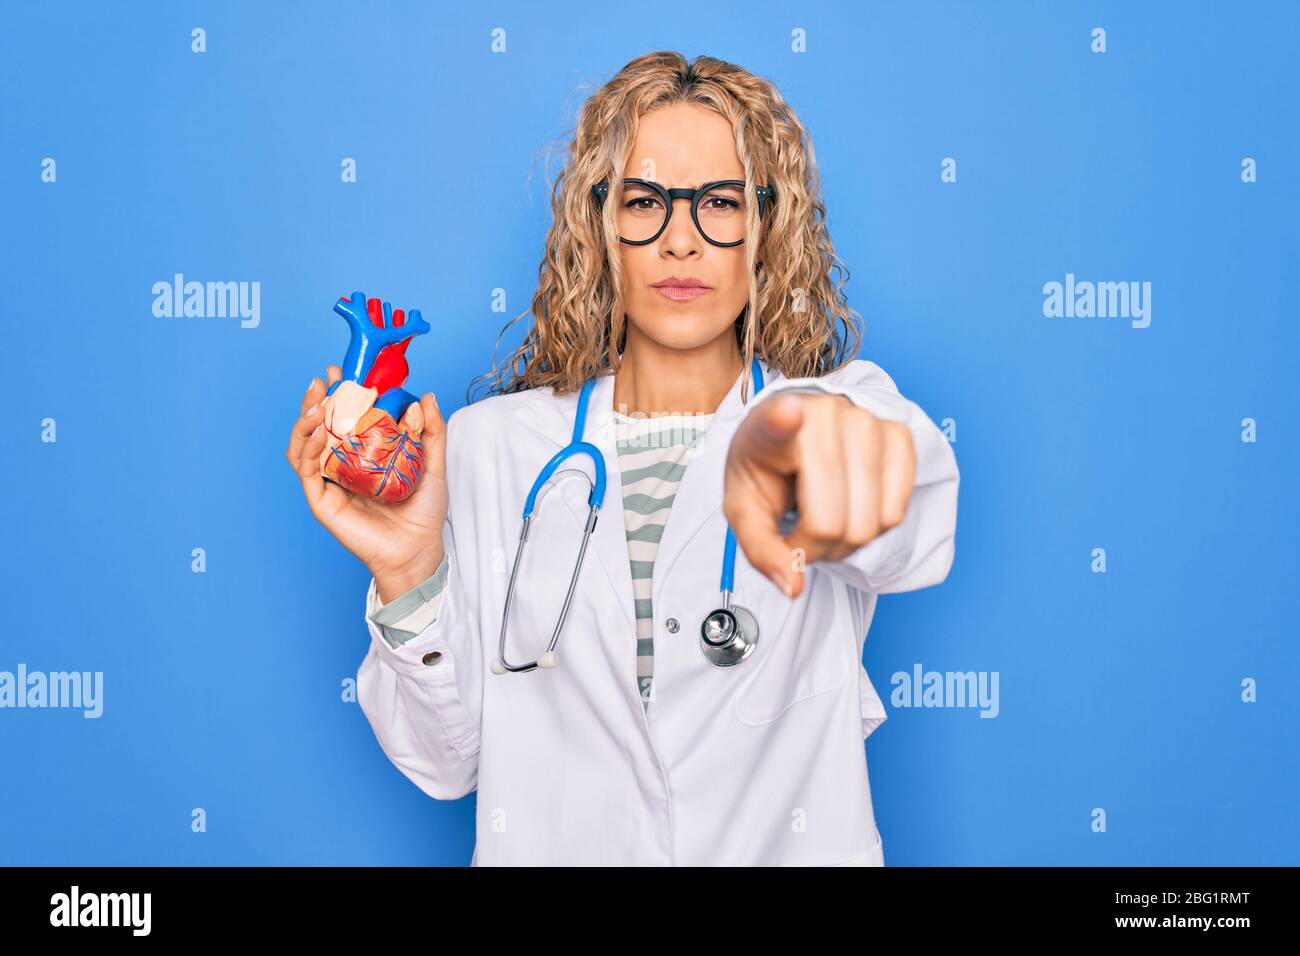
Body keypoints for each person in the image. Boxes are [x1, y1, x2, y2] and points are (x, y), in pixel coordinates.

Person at [286, 51, 959, 866]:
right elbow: (444, 763)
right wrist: (409, 570)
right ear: (600, 225)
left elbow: (909, 503)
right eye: (645, 202)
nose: (681, 241)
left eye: (719, 203)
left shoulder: (835, 410)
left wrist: (804, 440)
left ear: (768, 225)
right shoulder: (491, 448)